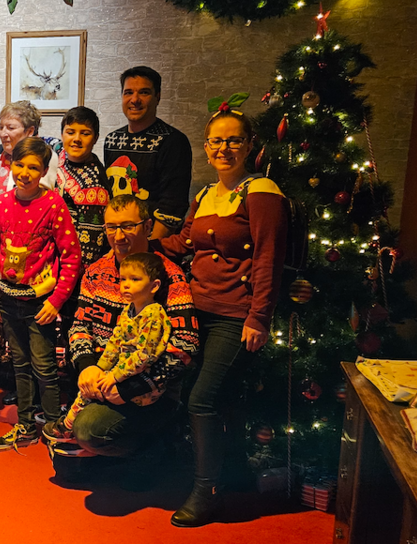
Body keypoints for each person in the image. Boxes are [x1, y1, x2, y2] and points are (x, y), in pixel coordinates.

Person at [156, 109, 288, 527]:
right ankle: (232, 474)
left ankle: (206, 491)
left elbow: (269, 257)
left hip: (235, 316)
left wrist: (259, 317)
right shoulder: (207, 194)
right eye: (216, 141)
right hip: (197, 312)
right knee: (213, 397)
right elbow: (182, 242)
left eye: (233, 140)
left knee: (203, 398)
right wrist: (142, 243)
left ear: (250, 145)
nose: (223, 148)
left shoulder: (261, 190)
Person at [65, 195, 199, 458]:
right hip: (105, 378)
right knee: (72, 452)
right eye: (111, 227)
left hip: (149, 392)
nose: (119, 236)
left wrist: (131, 387)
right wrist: (87, 366)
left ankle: (153, 448)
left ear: (147, 227)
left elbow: (185, 345)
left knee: (89, 430)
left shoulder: (168, 276)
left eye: (128, 226)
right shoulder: (95, 272)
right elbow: (80, 325)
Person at [0, 137, 82, 451]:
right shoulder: (1, 203)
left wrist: (56, 301)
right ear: (11, 166)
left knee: (44, 366)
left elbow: (72, 256)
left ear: (43, 171)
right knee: (19, 365)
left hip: (40, 302)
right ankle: (25, 425)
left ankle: (52, 426)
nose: (25, 172)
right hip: (8, 300)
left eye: (33, 167)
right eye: (20, 165)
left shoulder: (53, 204)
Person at [44, 252, 171, 441]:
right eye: (123, 279)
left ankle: (70, 426)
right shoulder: (130, 309)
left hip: (142, 384)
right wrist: (99, 368)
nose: (126, 284)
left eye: (135, 279)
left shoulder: (154, 315)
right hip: (123, 371)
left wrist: (113, 376)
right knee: (91, 384)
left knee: (96, 393)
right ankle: (69, 424)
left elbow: (144, 356)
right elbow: (115, 342)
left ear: (154, 286)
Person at [103, 66, 192, 239]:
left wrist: (148, 249)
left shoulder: (173, 141)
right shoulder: (112, 140)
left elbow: (173, 205)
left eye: (144, 92)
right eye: (128, 92)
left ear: (158, 97)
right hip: (117, 239)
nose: (135, 100)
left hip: (151, 243)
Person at [56, 106, 110, 269]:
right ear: (62, 134)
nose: (76, 139)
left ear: (95, 138)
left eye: (85, 133)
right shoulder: (62, 155)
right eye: (70, 132)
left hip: (69, 268)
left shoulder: (94, 185)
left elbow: (89, 247)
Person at [0, 100, 59, 204]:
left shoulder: (46, 157)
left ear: (30, 131)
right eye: (1, 127)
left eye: (11, 128)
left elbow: (39, 199)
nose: (3, 134)